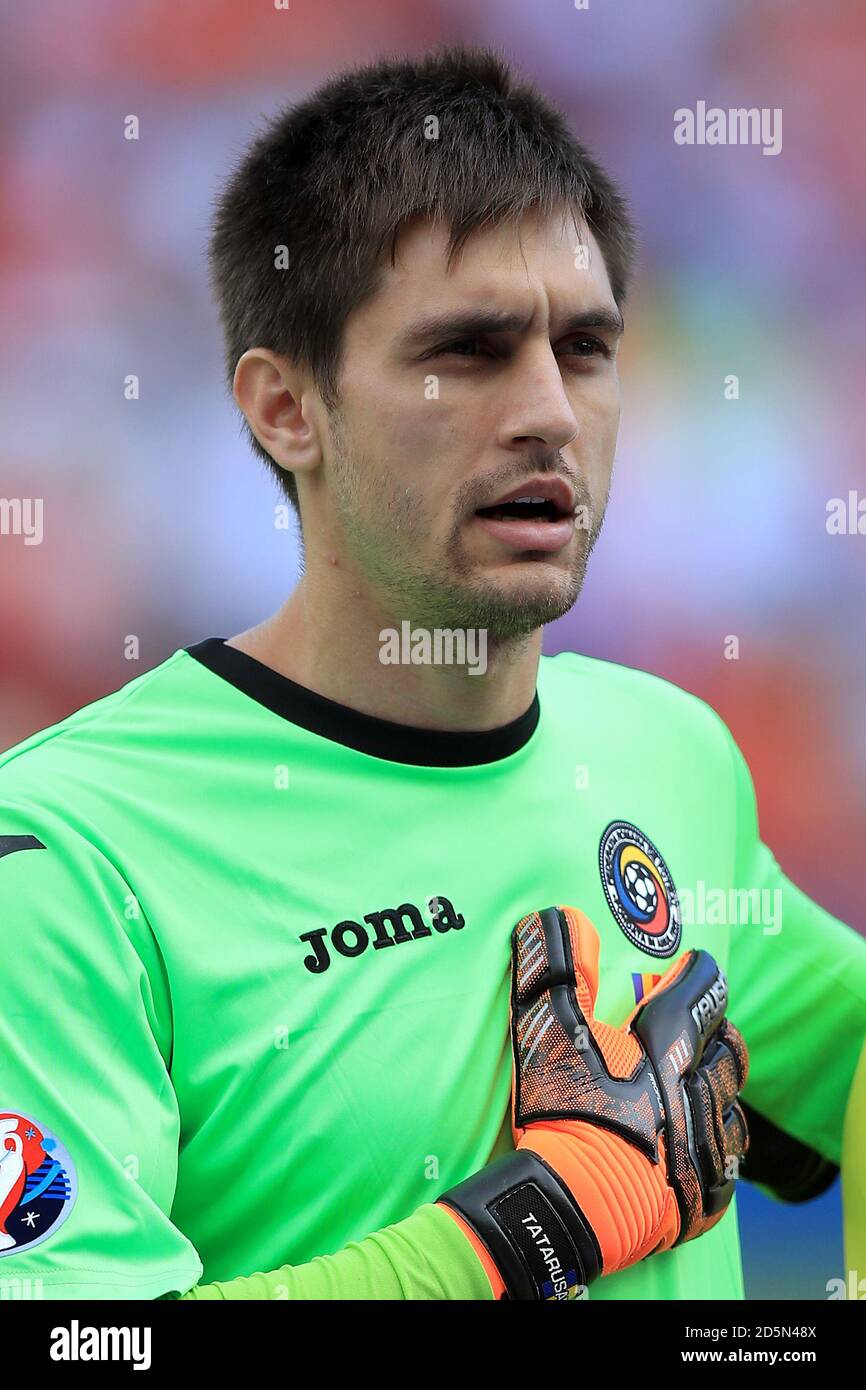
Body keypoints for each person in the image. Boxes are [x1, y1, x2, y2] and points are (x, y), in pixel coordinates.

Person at [0, 45, 863, 1302]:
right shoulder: (73, 856)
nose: (547, 413)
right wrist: (526, 1231)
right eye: (465, 350)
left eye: (583, 348)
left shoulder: (667, 752)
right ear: (284, 408)